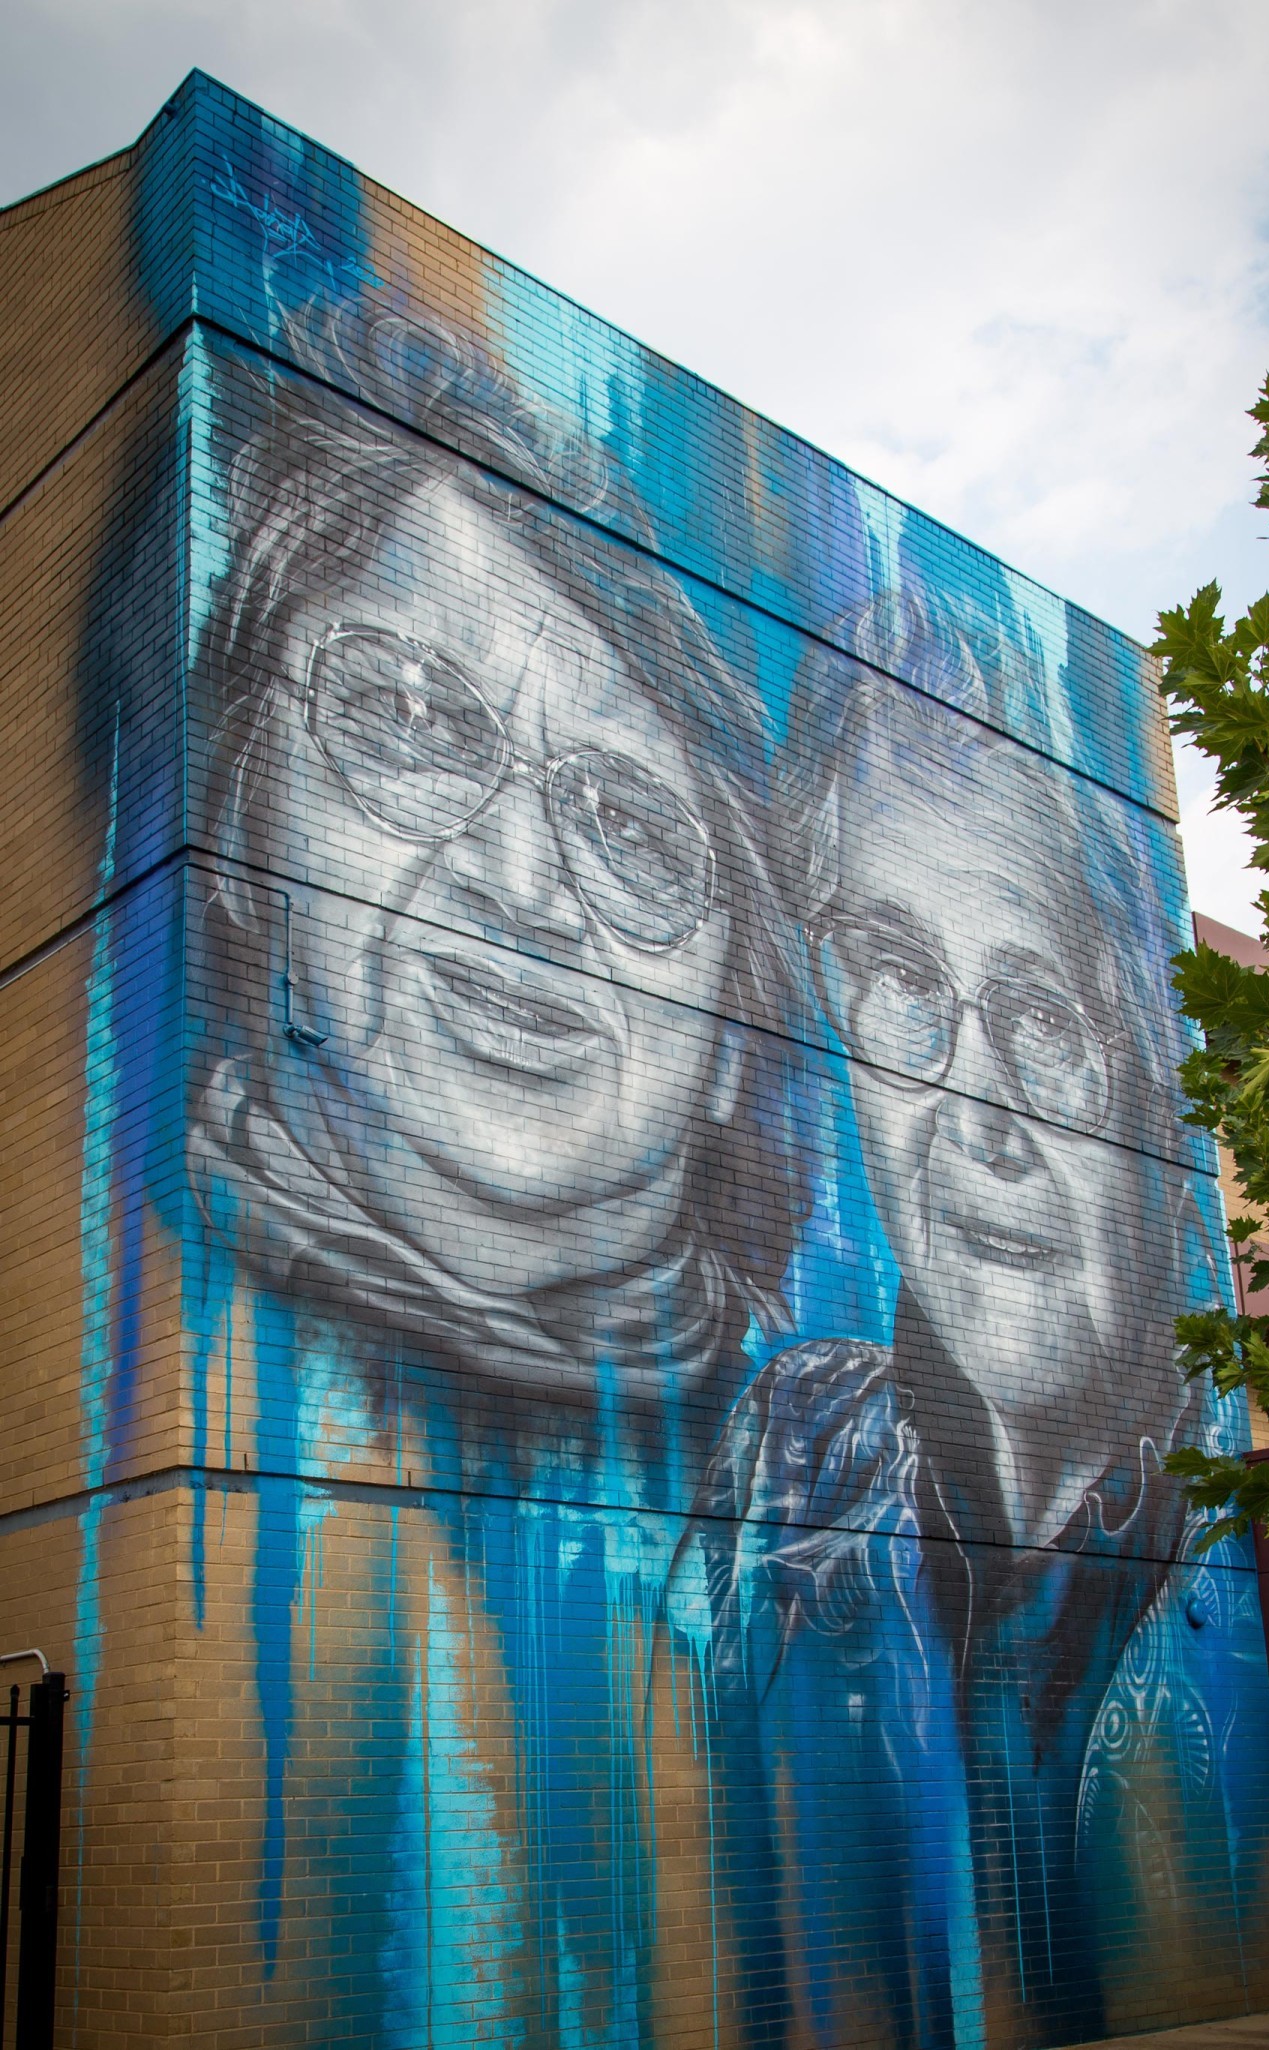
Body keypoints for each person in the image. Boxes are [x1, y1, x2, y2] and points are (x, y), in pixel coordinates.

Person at [183, 301, 808, 2039]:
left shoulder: (827, 1491)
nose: (524, 883)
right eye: (407, 714)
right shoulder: (155, 1377)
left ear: (739, 1023)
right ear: (245, 824)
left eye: (629, 823)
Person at [668, 592, 1262, 2048]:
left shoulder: (1221, 1536)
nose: (976, 1114)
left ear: (1146, 1077)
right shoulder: (791, 1459)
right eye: (901, 984)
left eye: (1043, 1015)